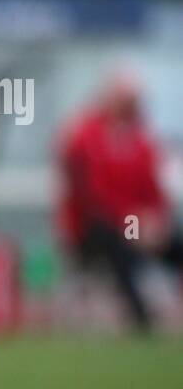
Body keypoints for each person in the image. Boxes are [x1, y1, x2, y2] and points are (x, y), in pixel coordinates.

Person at [56, 72, 183, 330]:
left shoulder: (140, 139)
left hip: (136, 226)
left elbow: (152, 189)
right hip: (93, 229)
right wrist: (133, 221)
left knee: (176, 242)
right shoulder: (85, 135)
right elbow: (91, 196)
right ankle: (142, 320)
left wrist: (155, 220)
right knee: (115, 243)